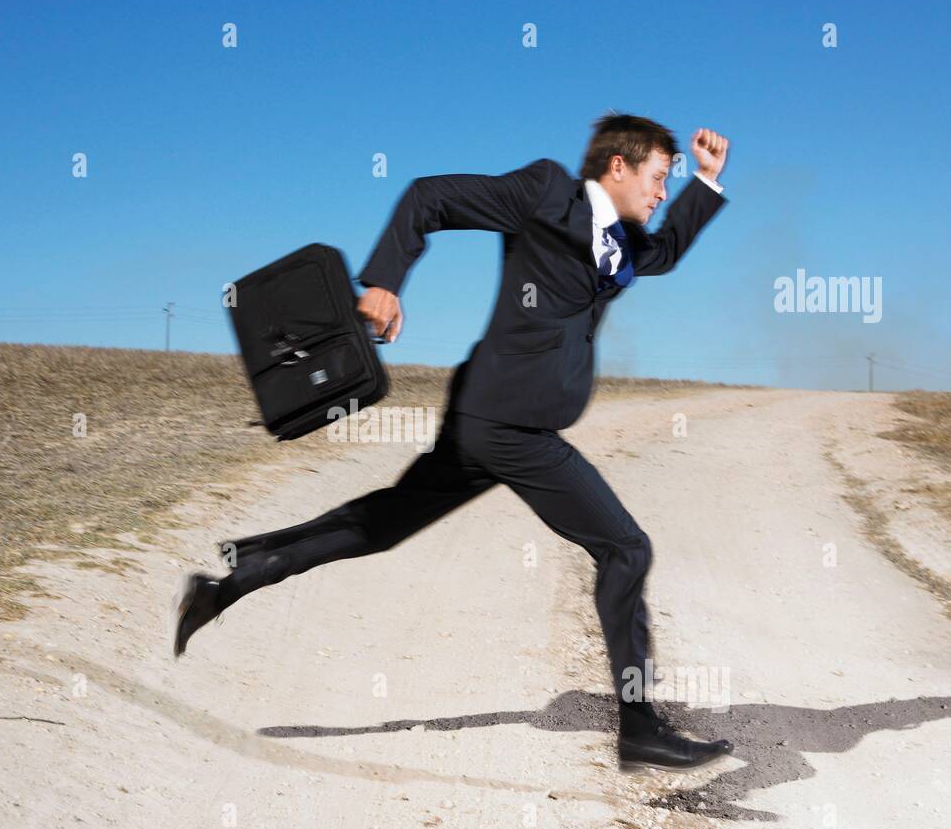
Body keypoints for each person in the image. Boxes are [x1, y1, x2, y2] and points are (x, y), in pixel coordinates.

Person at [174, 114, 734, 772]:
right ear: (618, 167)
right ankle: (638, 727)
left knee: (385, 523)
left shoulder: (618, 243)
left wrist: (705, 182)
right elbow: (428, 197)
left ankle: (229, 581)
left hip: (486, 416)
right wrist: (383, 281)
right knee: (625, 547)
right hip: (511, 424)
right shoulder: (545, 193)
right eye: (659, 178)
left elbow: (661, 253)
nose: (661, 192)